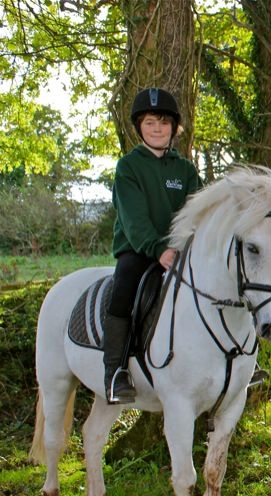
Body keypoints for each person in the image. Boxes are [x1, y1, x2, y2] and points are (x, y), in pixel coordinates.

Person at [103, 88, 201, 403]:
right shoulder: (128, 167)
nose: (156, 129)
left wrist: (187, 245)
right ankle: (115, 372)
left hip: (178, 251)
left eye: (162, 122)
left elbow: (197, 212)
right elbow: (134, 220)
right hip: (139, 249)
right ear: (139, 128)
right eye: (148, 123)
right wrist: (158, 249)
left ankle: (234, 361)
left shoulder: (185, 170)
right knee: (125, 284)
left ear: (174, 127)